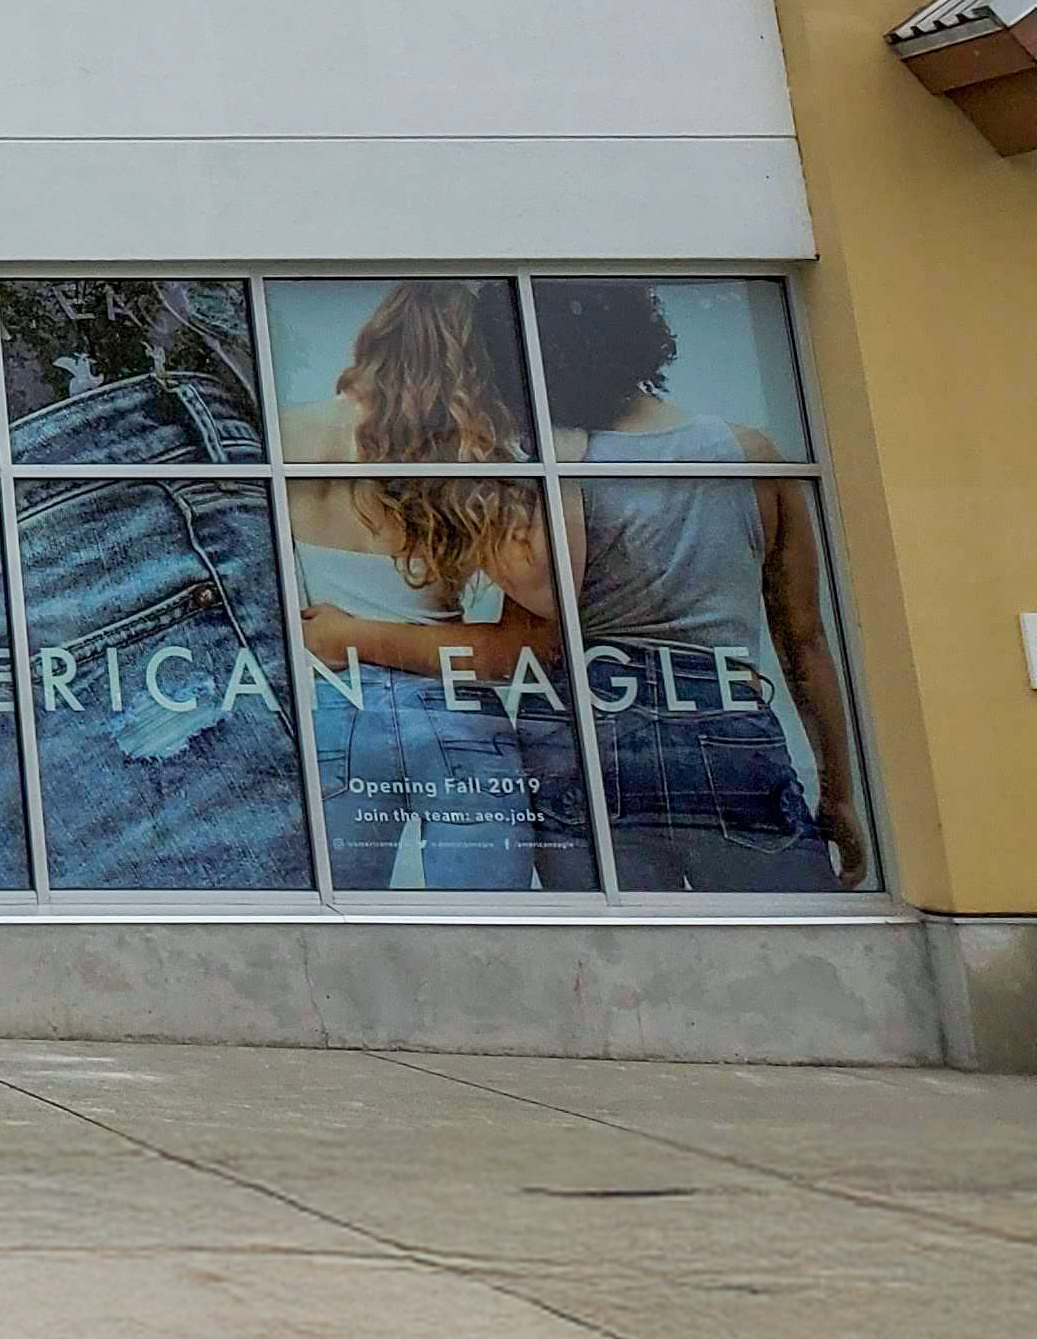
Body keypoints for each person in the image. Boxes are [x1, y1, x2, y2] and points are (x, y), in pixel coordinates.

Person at [536, 280, 868, 890]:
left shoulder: (558, 465)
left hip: (596, 713)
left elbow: (539, 620)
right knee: (785, 953)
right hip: (725, 712)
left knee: (616, 963)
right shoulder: (749, 453)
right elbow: (804, 639)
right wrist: (840, 791)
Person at [294, 280, 591, 887]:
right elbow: (531, 634)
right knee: (488, 934)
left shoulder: (289, 435)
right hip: (453, 704)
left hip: (327, 706)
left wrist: (344, 636)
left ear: (378, 336)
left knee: (325, 929)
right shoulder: (475, 461)